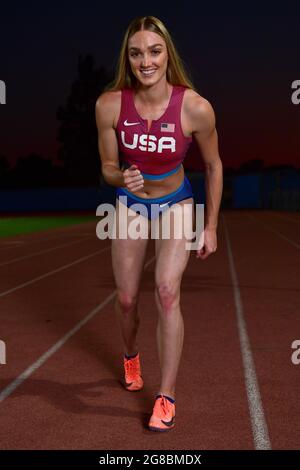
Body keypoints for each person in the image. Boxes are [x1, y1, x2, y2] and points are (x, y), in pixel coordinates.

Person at [95, 15, 223, 432]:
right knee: (128, 298)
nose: (145, 61)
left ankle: (166, 396)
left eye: (154, 51)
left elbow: (213, 164)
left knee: (168, 291)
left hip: (176, 203)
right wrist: (121, 177)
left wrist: (211, 226)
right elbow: (108, 168)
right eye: (136, 53)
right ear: (127, 59)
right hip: (131, 204)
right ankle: (131, 355)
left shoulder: (196, 107)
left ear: (167, 53)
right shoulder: (110, 104)